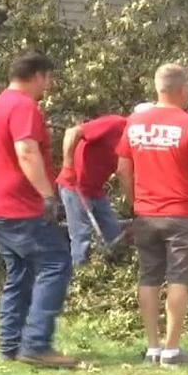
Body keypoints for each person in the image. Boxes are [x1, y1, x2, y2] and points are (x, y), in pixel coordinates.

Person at [115, 63, 188, 368]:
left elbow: (123, 169)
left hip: (145, 213)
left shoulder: (134, 124)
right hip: (182, 214)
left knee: (149, 277)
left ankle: (152, 346)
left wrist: (135, 199)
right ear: (183, 90)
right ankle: (172, 350)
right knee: (180, 278)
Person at [0, 51, 78, 369]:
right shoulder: (24, 106)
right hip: (20, 206)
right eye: (48, 79)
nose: (47, 87)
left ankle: (11, 344)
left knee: (19, 274)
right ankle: (36, 344)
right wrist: (48, 196)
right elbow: (26, 150)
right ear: (38, 75)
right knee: (56, 263)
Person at [56, 103, 153, 265]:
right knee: (81, 237)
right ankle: (79, 279)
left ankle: (112, 271)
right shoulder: (115, 124)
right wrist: (67, 167)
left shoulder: (137, 141)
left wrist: (138, 206)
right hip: (75, 186)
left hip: (96, 190)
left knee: (113, 233)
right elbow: (72, 132)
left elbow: (128, 174)